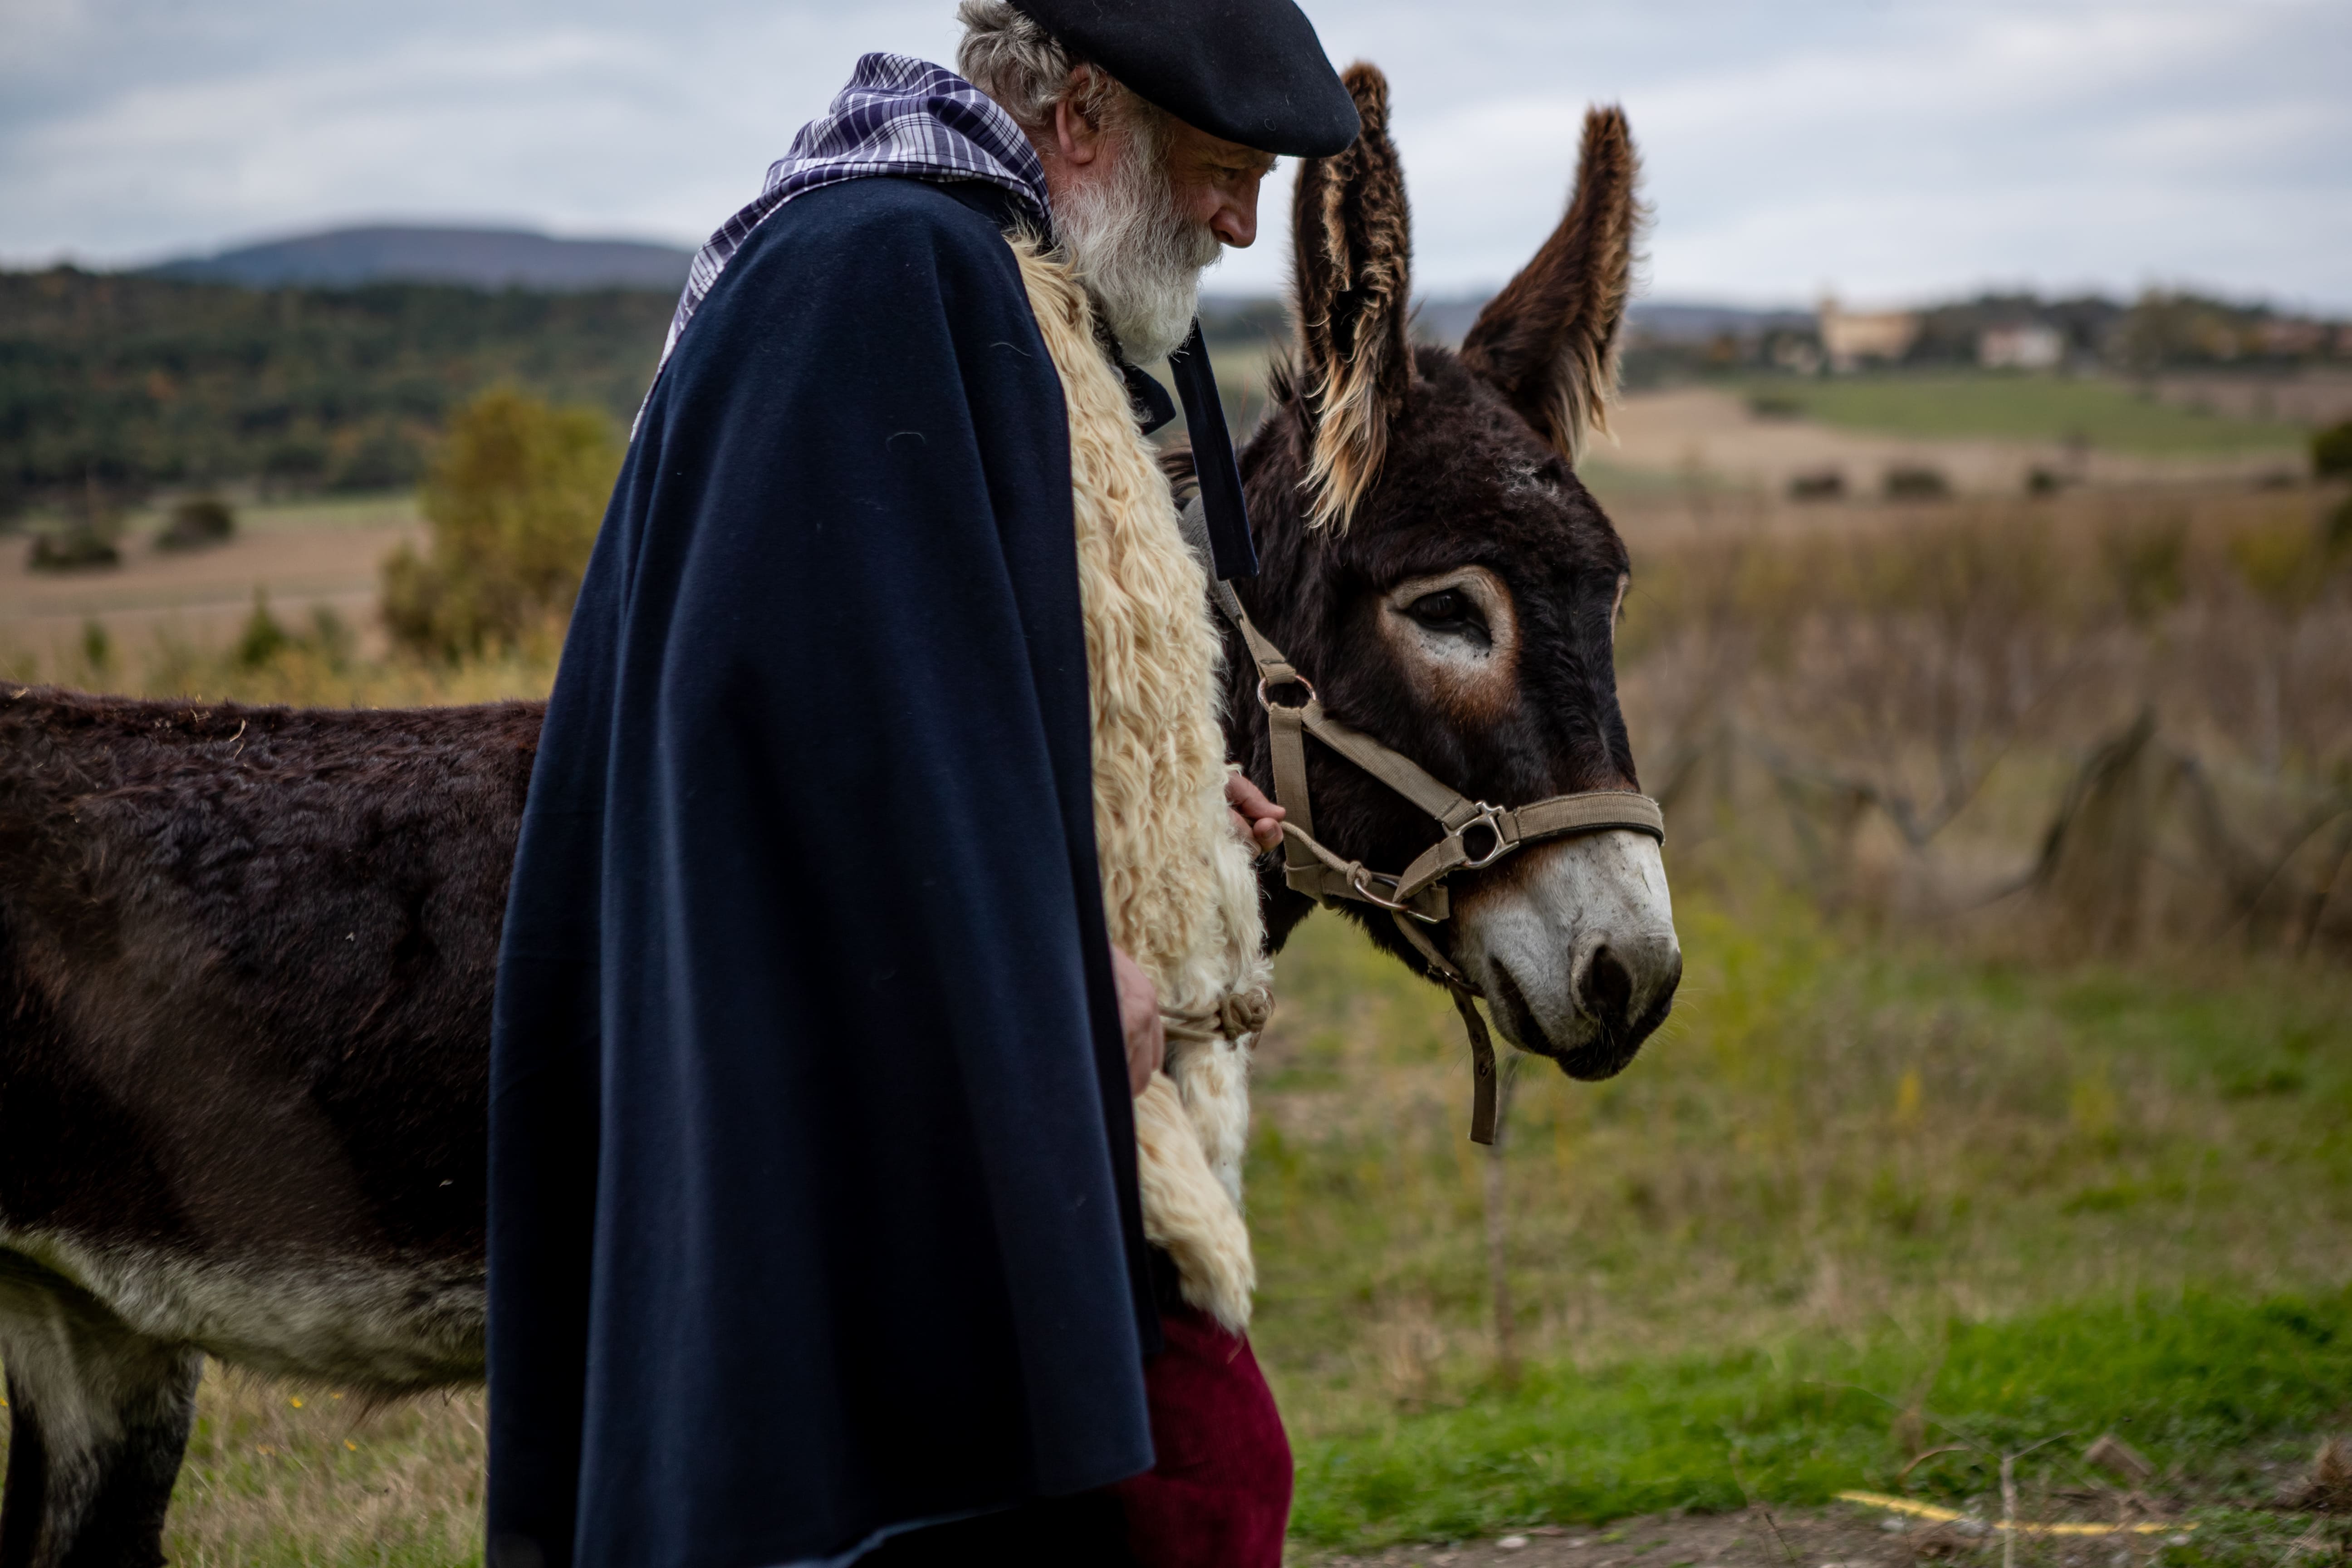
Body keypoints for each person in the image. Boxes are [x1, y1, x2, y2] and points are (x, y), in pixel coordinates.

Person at [484, 2, 1358, 1564]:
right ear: (1083, 115)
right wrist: (1050, 966)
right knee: (1187, 1486)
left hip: (974, 1071)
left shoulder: (983, 273)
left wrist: (1150, 811)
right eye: (1227, 173)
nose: (1241, 226)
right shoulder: (877, 276)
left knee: (1200, 1480)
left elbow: (959, 682)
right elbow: (828, 749)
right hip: (876, 1104)